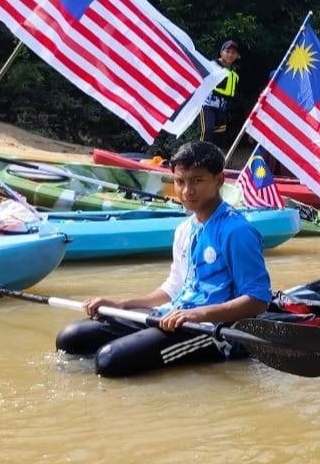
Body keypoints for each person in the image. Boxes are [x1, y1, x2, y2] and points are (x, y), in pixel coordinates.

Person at [55, 141, 272, 377]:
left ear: (219, 180)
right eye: (180, 181)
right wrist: (122, 304)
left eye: (197, 181)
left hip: (213, 330)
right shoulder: (184, 229)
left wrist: (197, 315)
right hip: (174, 315)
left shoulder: (237, 231)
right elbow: (173, 287)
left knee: (109, 360)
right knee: (71, 338)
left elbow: (258, 300)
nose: (187, 191)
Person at [199, 40, 241, 151]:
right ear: (221, 52)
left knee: (218, 138)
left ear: (237, 55)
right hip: (207, 106)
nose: (230, 55)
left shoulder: (234, 74)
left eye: (233, 53)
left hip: (222, 109)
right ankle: (198, 158)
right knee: (207, 131)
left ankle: (212, 162)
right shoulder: (211, 66)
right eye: (227, 51)